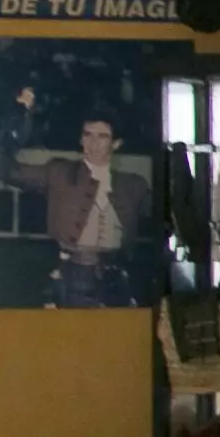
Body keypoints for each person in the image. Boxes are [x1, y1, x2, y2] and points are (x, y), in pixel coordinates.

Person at [45, 113, 152, 304]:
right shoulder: (60, 174)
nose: (93, 143)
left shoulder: (133, 185)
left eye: (102, 136)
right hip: (73, 275)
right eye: (88, 135)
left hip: (116, 278)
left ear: (116, 143)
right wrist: (20, 112)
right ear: (81, 139)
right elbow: (3, 169)